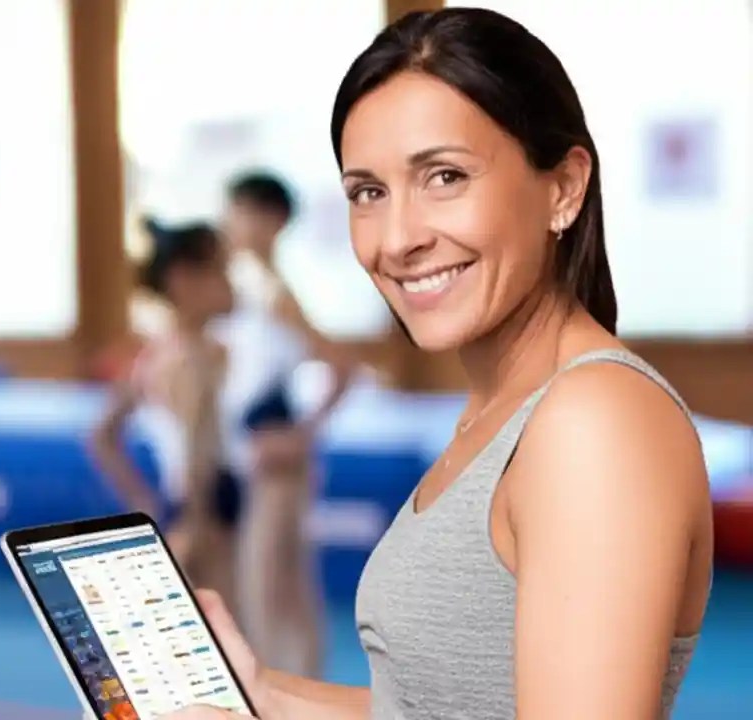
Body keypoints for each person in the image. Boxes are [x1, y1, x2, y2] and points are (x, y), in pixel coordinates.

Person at [166, 8, 712, 719]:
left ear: (564, 188)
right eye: (369, 192)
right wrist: (260, 694)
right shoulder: (503, 412)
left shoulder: (594, 421)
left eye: (445, 176)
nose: (397, 239)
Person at [218, 171, 358, 677]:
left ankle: (288, 698)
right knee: (281, 594)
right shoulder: (243, 291)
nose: (229, 223)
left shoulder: (274, 293)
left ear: (271, 221)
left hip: (276, 461)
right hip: (250, 455)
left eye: (239, 212)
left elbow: (342, 366)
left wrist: (302, 434)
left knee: (270, 596)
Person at [89, 218, 239, 609]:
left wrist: (146, 504)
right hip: (202, 509)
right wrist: (193, 521)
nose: (231, 284)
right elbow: (193, 447)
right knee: (223, 642)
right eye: (221, 271)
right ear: (183, 281)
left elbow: (102, 436)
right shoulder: (187, 359)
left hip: (195, 505)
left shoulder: (167, 351)